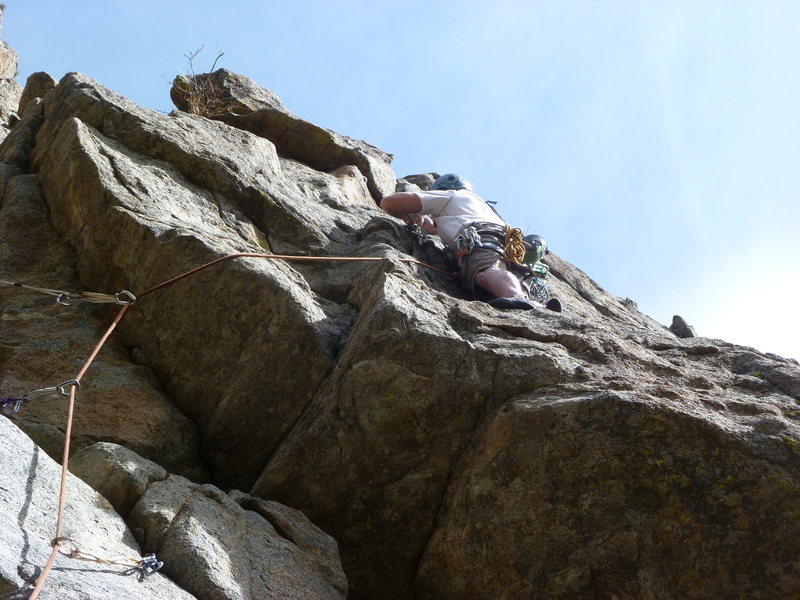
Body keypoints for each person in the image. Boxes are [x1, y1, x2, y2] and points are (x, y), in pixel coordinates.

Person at [380, 173, 540, 310]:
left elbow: (388, 203)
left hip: (480, 238)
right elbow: (442, 226)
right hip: (507, 245)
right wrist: (427, 223)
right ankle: (538, 307)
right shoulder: (478, 205)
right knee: (500, 281)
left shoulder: (449, 195)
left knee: (484, 271)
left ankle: (514, 295)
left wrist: (408, 214)